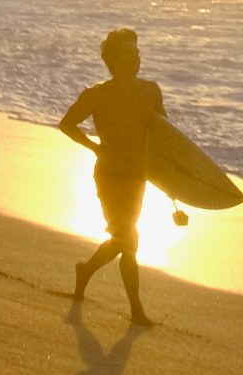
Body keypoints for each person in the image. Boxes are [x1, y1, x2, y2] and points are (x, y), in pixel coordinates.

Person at [58, 28, 168, 326]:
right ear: (113, 60)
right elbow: (67, 124)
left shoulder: (151, 91)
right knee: (128, 238)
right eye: (128, 53)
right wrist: (94, 147)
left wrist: (172, 182)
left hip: (137, 177)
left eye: (137, 52)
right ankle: (136, 310)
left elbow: (164, 136)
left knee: (124, 239)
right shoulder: (98, 94)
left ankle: (86, 270)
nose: (135, 58)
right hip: (109, 175)